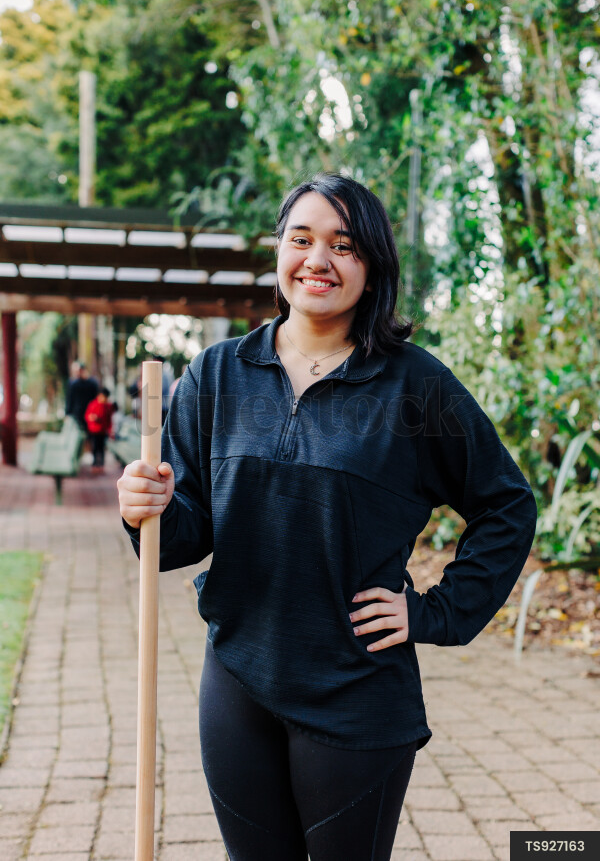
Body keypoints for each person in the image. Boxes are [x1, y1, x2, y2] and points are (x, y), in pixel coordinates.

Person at [117, 173, 537, 861]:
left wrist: (435, 612)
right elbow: (182, 533)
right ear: (279, 252)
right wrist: (146, 510)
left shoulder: (416, 386)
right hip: (239, 677)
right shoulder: (216, 375)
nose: (318, 259)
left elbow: (507, 504)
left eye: (343, 246)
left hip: (357, 689)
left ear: (371, 271)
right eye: (301, 238)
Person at [84, 387, 115, 470]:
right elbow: (87, 415)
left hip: (103, 431)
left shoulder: (108, 406)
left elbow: (109, 419)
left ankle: (101, 462)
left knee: (101, 447)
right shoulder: (93, 404)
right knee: (94, 446)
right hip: (94, 430)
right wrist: (92, 418)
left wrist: (110, 429)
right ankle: (94, 461)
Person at [65, 361, 99, 432]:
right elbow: (70, 399)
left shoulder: (92, 383)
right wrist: (68, 413)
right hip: (77, 414)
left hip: (90, 413)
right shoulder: (73, 383)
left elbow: (96, 398)